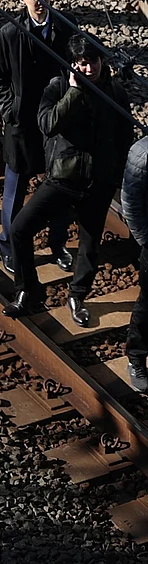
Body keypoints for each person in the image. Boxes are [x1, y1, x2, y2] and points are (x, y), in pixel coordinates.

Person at [4, 37, 135, 324]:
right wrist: (74, 93)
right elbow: (48, 124)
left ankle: (77, 295)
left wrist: (113, 175)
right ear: (73, 64)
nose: (87, 69)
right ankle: (27, 291)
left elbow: (126, 137)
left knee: (89, 246)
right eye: (81, 63)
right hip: (63, 178)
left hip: (98, 183)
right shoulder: (59, 87)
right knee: (20, 229)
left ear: (102, 61)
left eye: (92, 62)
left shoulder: (115, 92)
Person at [0, 0, 74, 274]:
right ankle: (9, 246)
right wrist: (11, 109)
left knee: (60, 187)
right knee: (15, 189)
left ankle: (58, 243)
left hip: (56, 123)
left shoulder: (65, 26)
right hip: (22, 126)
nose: (40, 1)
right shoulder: (10, 33)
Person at [122, 126, 148, 393]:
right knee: (147, 304)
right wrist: (145, 240)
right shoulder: (142, 152)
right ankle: (137, 359)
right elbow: (131, 201)